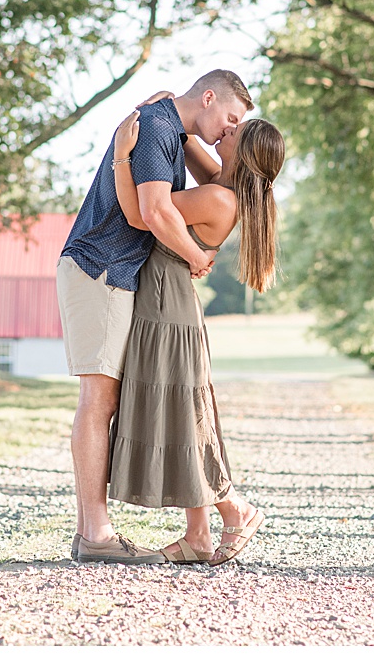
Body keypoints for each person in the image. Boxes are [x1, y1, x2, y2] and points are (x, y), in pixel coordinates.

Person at [57, 70, 252, 564]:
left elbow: (203, 186)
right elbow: (150, 213)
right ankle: (97, 533)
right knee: (98, 400)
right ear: (208, 97)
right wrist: (196, 255)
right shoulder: (157, 128)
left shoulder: (169, 130)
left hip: (119, 274)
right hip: (101, 267)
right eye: (230, 117)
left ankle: (94, 532)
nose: (229, 129)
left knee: (115, 400)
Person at [105, 110, 285, 566]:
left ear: (243, 154)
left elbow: (141, 215)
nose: (227, 128)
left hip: (168, 308)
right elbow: (185, 138)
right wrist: (168, 110)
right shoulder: (220, 182)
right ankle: (198, 535)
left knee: (184, 419)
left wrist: (122, 157)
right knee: (182, 414)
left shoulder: (217, 199)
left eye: (237, 131)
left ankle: (235, 509)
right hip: (167, 303)